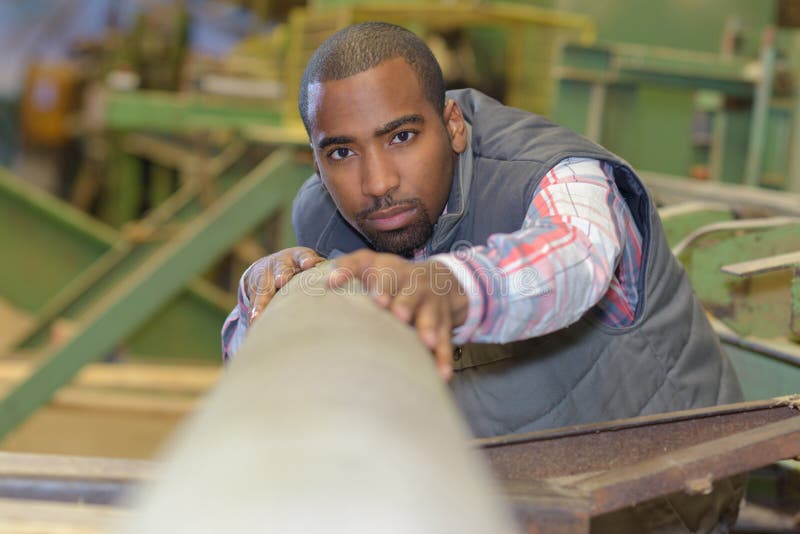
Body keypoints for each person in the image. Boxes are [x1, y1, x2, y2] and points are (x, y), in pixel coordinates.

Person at [223, 22, 745, 531]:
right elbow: (276, 375)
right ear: (315, 159)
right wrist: (267, 298)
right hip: (501, 495)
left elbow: (568, 262)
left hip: (659, 497)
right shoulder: (324, 216)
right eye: (341, 152)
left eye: (401, 136)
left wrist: (451, 288)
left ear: (452, 124)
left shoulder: (551, 172)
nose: (377, 182)